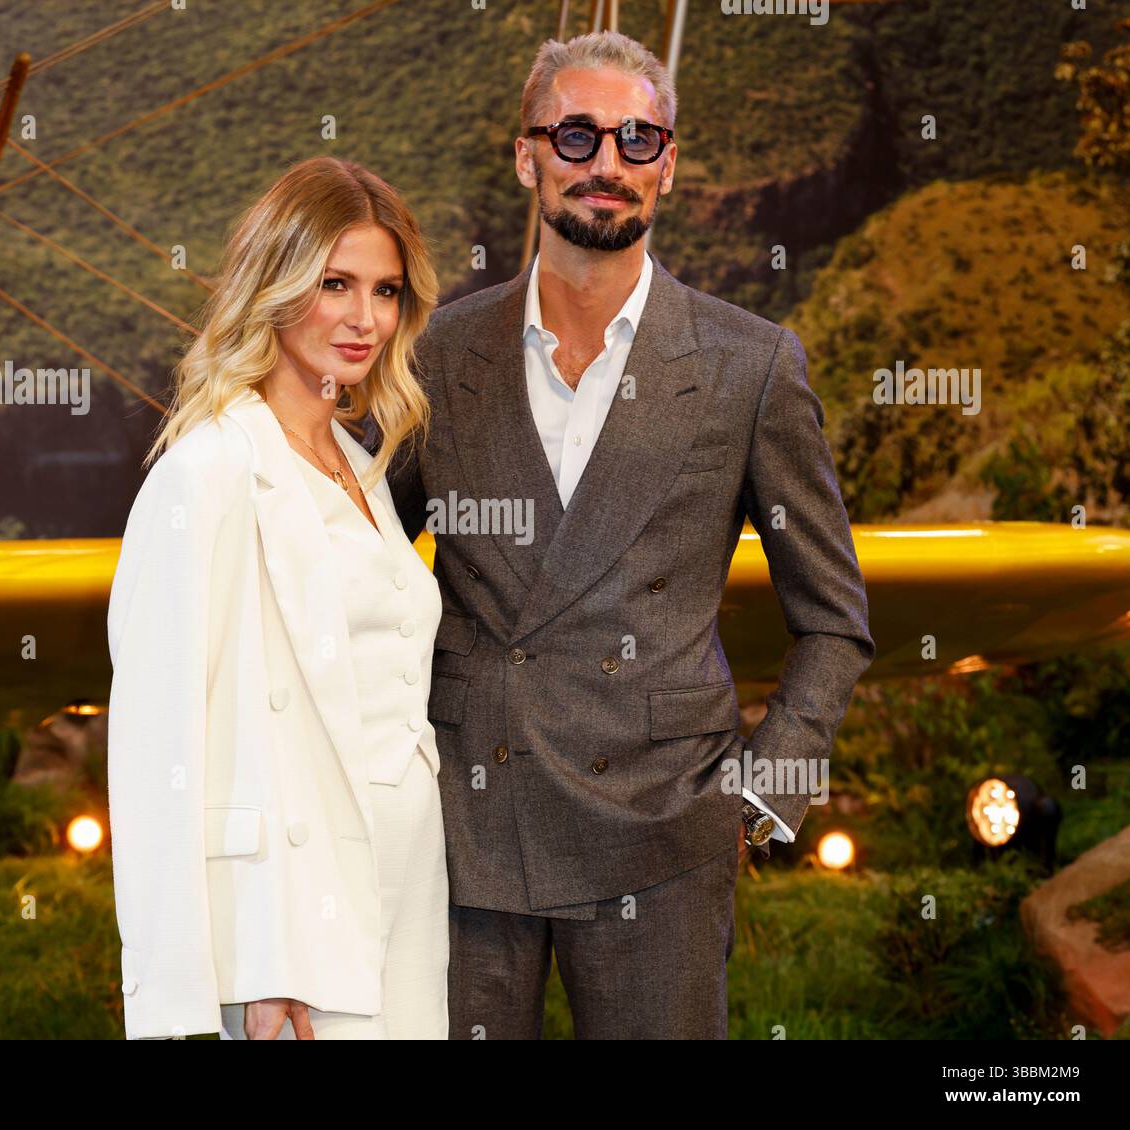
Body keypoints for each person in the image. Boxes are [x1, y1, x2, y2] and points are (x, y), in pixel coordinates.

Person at [386, 30, 875, 1039]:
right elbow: (357, 574)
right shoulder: (435, 353)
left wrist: (760, 793)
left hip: (665, 836)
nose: (606, 164)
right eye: (576, 136)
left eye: (637, 139)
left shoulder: (751, 366)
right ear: (527, 155)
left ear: (668, 166)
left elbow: (834, 619)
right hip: (467, 822)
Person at [106, 156, 448, 1040]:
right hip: (299, 925)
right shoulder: (206, 475)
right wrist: (256, 960)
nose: (364, 318)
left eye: (385, 290)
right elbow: (162, 751)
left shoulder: (361, 467)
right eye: (335, 283)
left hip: (405, 888)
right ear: (276, 280)